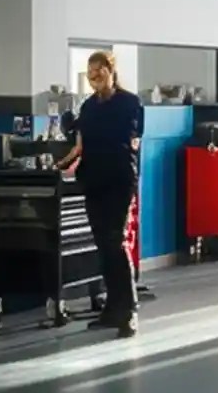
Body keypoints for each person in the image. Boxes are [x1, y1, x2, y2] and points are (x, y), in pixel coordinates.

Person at [57, 51, 144, 338]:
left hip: (119, 180)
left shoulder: (130, 103)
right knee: (103, 245)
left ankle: (129, 309)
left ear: (111, 70)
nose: (94, 77)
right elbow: (81, 145)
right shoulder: (88, 107)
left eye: (99, 71)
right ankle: (111, 309)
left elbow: (129, 138)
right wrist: (62, 164)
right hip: (93, 180)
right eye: (90, 72)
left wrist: (86, 131)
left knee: (115, 241)